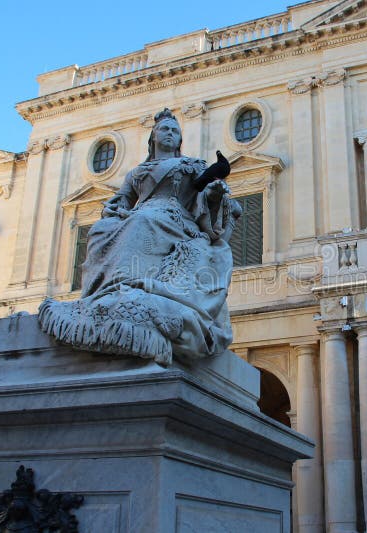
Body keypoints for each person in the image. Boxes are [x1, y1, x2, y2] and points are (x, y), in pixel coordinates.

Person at [39, 108, 240, 365]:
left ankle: (130, 287)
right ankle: (109, 291)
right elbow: (122, 199)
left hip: (175, 219)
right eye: (164, 129)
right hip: (140, 215)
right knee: (101, 230)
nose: (169, 133)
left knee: (142, 220)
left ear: (180, 140)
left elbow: (202, 198)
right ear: (153, 137)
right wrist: (110, 209)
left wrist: (213, 194)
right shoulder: (136, 173)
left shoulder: (192, 165)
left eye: (174, 131)